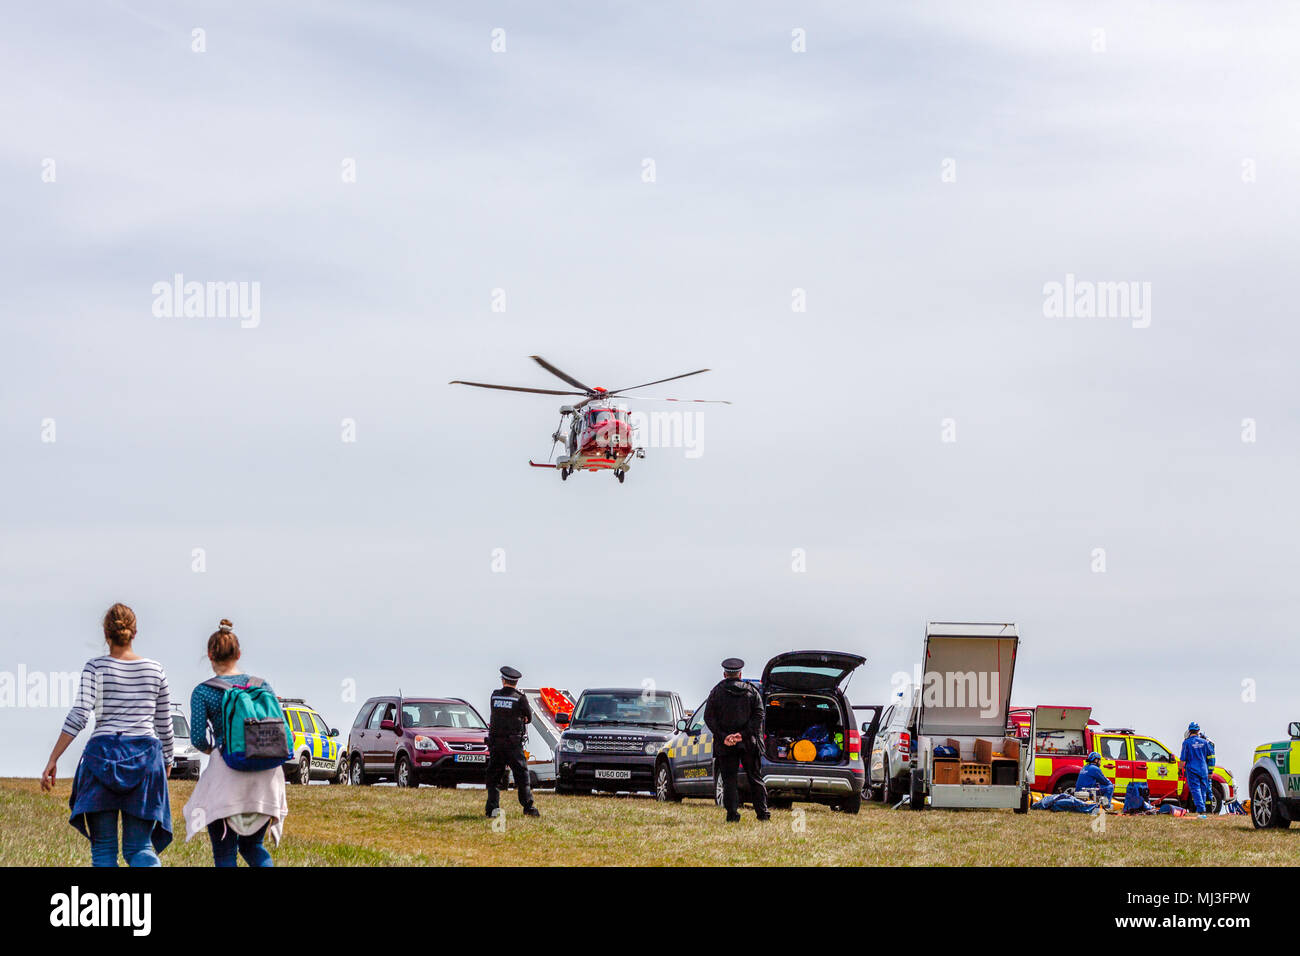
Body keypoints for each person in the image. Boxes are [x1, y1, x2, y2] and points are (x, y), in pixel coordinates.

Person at [41, 603, 175, 866]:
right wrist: (167, 761)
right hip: (145, 757)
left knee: (103, 850)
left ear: (106, 634)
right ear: (134, 632)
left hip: (101, 757)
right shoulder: (155, 670)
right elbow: (164, 724)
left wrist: (53, 758)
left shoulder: (95, 667)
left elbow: (80, 714)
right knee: (139, 848)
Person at [183, 619, 288, 866]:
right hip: (266, 778)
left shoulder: (203, 692)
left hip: (227, 777)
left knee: (224, 852)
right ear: (239, 653)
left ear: (209, 654)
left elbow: (198, 737)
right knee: (254, 847)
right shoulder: (262, 686)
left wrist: (216, 750)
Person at [704, 658, 769, 823]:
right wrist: (742, 735)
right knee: (755, 778)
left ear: (725, 674)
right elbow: (759, 715)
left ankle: (732, 815)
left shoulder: (716, 692)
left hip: (725, 744)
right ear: (740, 674)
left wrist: (724, 736)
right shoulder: (751, 691)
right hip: (748, 742)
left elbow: (708, 717)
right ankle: (763, 814)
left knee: (729, 781)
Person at [485, 666, 539, 818]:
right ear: (516, 682)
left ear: (503, 680)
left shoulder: (494, 696)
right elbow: (529, 718)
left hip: (496, 743)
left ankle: (492, 810)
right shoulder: (520, 698)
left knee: (494, 778)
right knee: (522, 776)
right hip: (513, 744)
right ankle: (528, 808)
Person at [1179, 720, 1212, 817]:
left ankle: (1201, 809)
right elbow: (1209, 757)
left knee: (1195, 789)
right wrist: (1210, 771)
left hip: (1192, 769)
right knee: (1203, 789)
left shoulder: (1186, 743)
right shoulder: (1204, 742)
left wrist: (1180, 770)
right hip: (1203, 769)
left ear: (1189, 731)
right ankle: (1203, 810)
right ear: (1198, 731)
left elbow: (1183, 759)